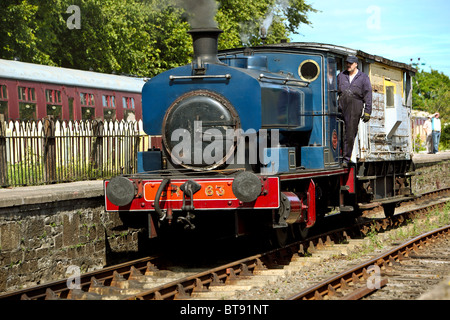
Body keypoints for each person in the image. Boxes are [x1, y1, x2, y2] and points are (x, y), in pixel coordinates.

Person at [337, 55, 372, 167]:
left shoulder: (363, 77)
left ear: (356, 64)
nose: (348, 65)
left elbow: (368, 94)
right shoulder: (341, 76)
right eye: (347, 63)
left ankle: (346, 159)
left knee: (350, 133)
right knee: (338, 131)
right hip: (341, 104)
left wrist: (367, 111)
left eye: (351, 63)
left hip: (355, 105)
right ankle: (338, 155)